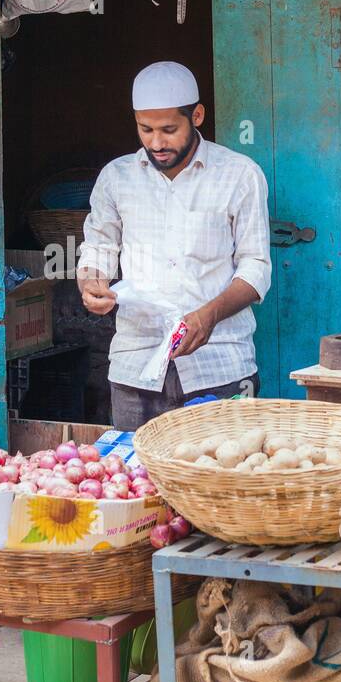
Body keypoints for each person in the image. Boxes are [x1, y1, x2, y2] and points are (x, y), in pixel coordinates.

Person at [77, 61, 272, 432]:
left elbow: (256, 266)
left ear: (196, 115)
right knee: (137, 479)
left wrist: (209, 315)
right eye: (145, 129)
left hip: (220, 365)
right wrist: (91, 282)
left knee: (219, 482)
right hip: (136, 366)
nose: (156, 142)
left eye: (169, 129)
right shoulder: (116, 177)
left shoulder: (239, 174)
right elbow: (98, 247)